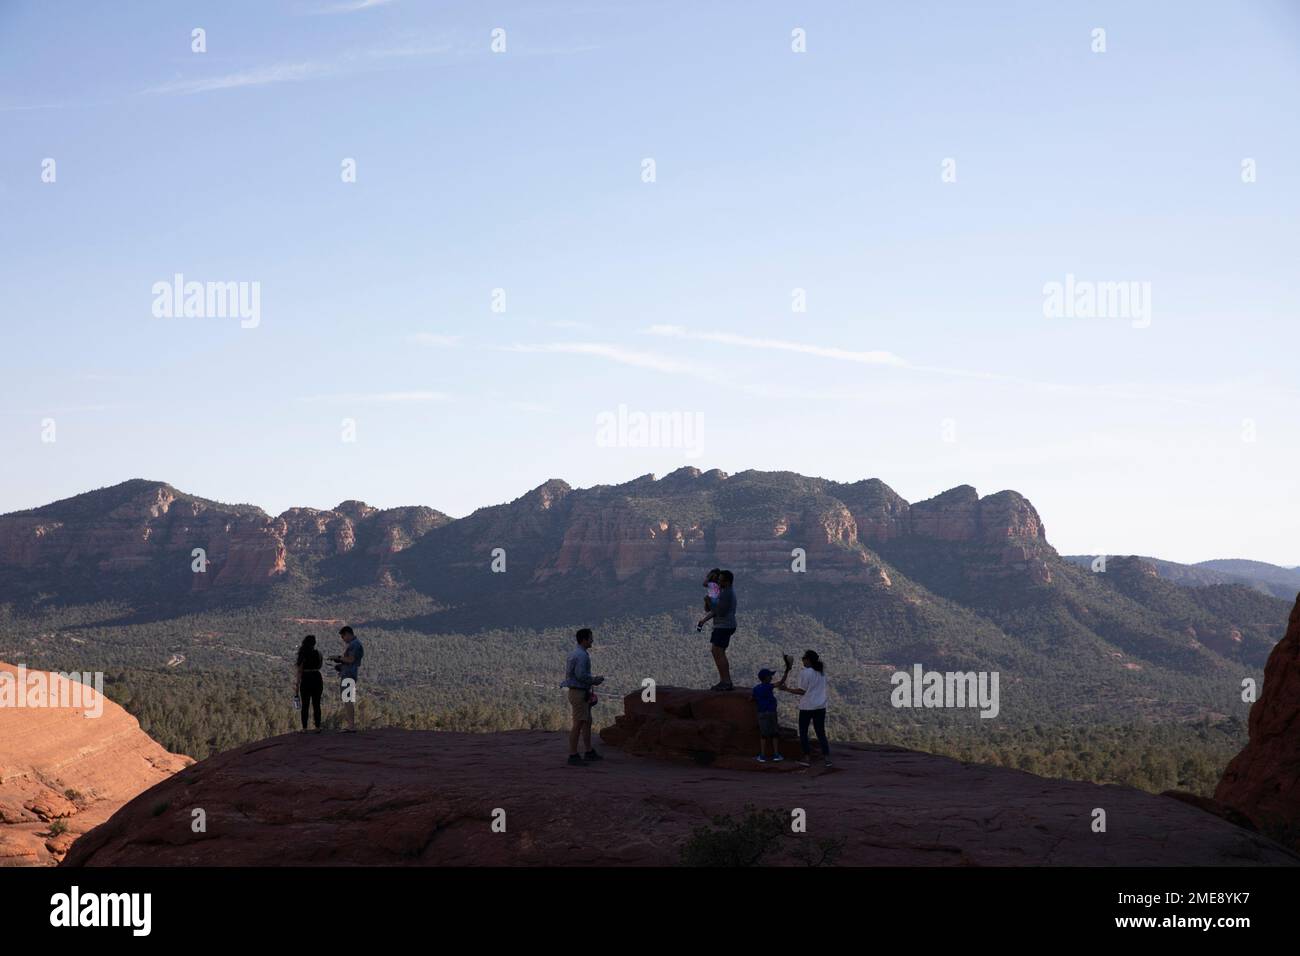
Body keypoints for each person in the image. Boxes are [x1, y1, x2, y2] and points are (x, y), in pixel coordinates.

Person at [777, 650, 831, 767]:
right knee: (821, 733)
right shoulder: (821, 672)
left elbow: (802, 691)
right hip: (821, 706)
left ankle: (806, 758)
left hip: (807, 707)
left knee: (803, 732)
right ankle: (827, 758)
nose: (802, 660)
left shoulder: (805, 673)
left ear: (808, 660)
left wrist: (786, 689)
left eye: (803, 658)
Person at [561, 628, 605, 766]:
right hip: (579, 693)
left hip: (578, 692)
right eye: (591, 638)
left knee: (586, 721)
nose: (592, 640)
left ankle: (588, 751)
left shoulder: (575, 653)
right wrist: (594, 680)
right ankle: (573, 755)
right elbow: (581, 675)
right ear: (584, 639)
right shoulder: (582, 656)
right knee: (579, 723)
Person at [696, 569, 737, 691]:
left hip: (724, 626)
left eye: (720, 580)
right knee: (717, 652)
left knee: (718, 652)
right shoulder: (724, 591)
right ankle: (724, 680)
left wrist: (709, 601)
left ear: (727, 581)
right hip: (723, 626)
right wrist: (704, 620)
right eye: (718, 580)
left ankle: (726, 681)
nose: (718, 582)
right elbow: (715, 611)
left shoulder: (726, 593)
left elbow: (721, 612)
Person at [328, 625, 364, 733]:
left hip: (349, 675)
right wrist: (340, 665)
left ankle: (351, 726)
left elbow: (351, 659)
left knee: (348, 700)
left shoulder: (354, 645)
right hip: (349, 673)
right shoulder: (355, 644)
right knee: (348, 699)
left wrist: (338, 658)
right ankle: (350, 725)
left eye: (343, 637)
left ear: (348, 634)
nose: (343, 639)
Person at [752, 668, 784, 763]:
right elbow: (781, 682)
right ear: (766, 678)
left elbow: (752, 698)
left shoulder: (756, 688)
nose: (771, 677)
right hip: (771, 712)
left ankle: (762, 755)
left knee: (763, 734)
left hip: (761, 713)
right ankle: (776, 754)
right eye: (770, 676)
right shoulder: (769, 686)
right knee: (774, 733)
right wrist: (786, 671)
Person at [294, 634, 324, 733]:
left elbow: (299, 671)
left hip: (306, 679)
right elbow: (320, 665)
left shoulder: (302, 654)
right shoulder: (318, 653)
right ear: (314, 643)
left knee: (305, 704)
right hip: (317, 677)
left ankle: (304, 728)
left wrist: (297, 685)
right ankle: (318, 727)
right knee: (316, 703)